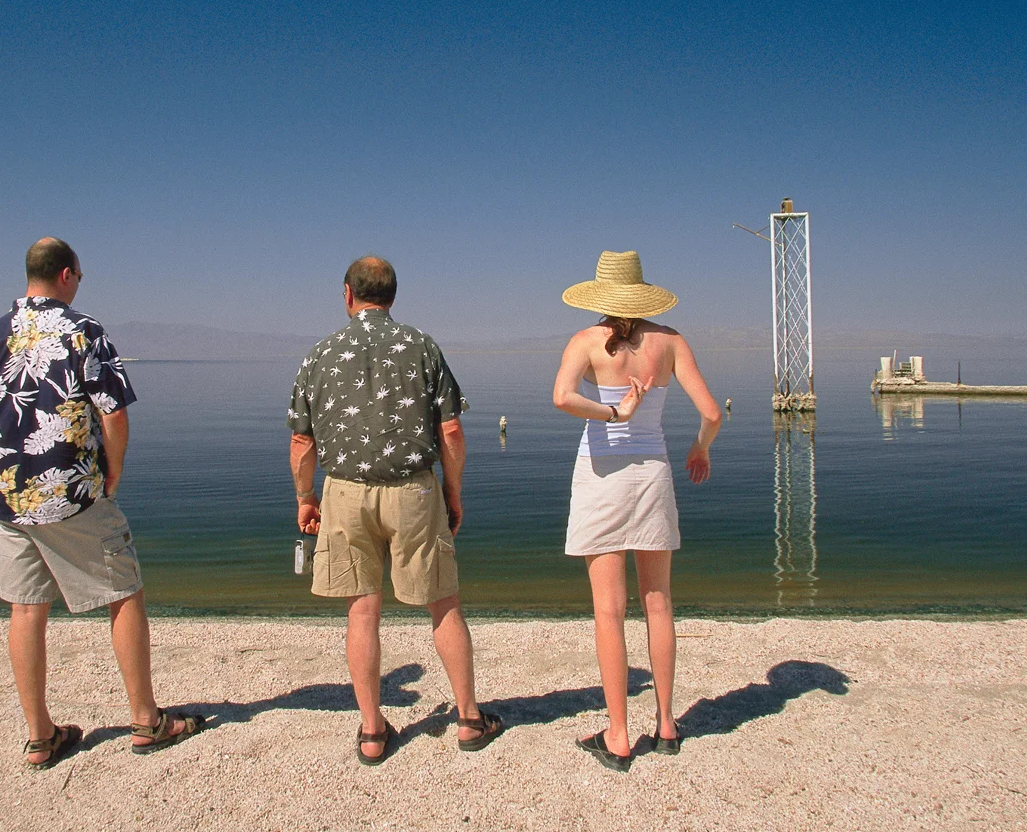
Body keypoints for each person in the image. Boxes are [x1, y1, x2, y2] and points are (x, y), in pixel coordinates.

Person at [0, 237, 202, 768]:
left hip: (8, 501)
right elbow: (112, 413)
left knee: (25, 607)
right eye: (80, 276)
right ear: (66, 275)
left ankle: (41, 736)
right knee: (124, 591)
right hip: (72, 494)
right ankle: (146, 720)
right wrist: (114, 471)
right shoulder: (82, 331)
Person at [288, 256, 503, 764]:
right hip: (413, 490)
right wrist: (453, 492)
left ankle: (371, 731)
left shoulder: (320, 354)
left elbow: (302, 441)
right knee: (442, 602)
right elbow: (451, 430)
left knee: (362, 610)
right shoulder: (422, 346)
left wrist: (305, 497)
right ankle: (469, 719)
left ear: (347, 294)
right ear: (393, 295)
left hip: (345, 493)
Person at [553, 250, 722, 771]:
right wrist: (701, 448)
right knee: (659, 603)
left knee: (609, 609)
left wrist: (609, 411)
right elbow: (712, 412)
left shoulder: (585, 342)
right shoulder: (669, 342)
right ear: (641, 291)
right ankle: (667, 726)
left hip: (601, 478)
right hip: (652, 475)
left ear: (600, 295)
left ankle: (619, 735)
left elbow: (561, 397)